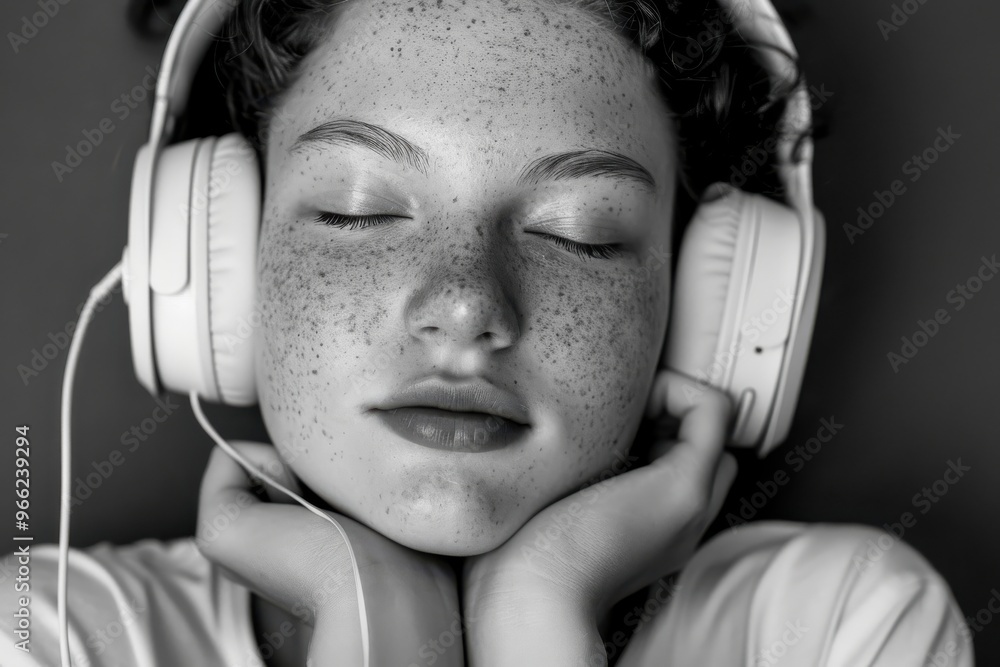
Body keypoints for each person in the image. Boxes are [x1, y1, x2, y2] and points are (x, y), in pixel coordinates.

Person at [0, 0, 975, 665]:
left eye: (577, 231)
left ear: (705, 309)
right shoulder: (46, 638)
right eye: (354, 209)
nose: (466, 304)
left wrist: (536, 621)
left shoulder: (839, 628)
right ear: (218, 265)